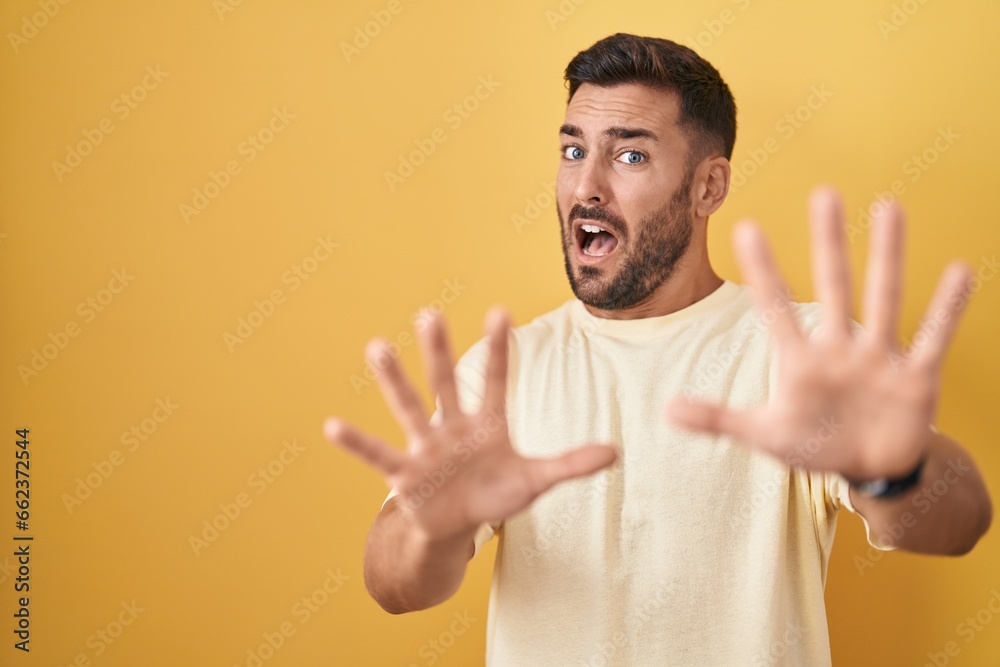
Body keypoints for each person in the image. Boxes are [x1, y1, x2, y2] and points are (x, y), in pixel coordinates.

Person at [323, 33, 993, 666]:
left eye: (629, 155)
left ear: (709, 187)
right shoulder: (506, 371)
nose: (586, 186)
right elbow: (394, 583)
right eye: (573, 150)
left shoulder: (806, 354)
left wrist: (895, 469)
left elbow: (958, 522)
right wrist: (431, 530)